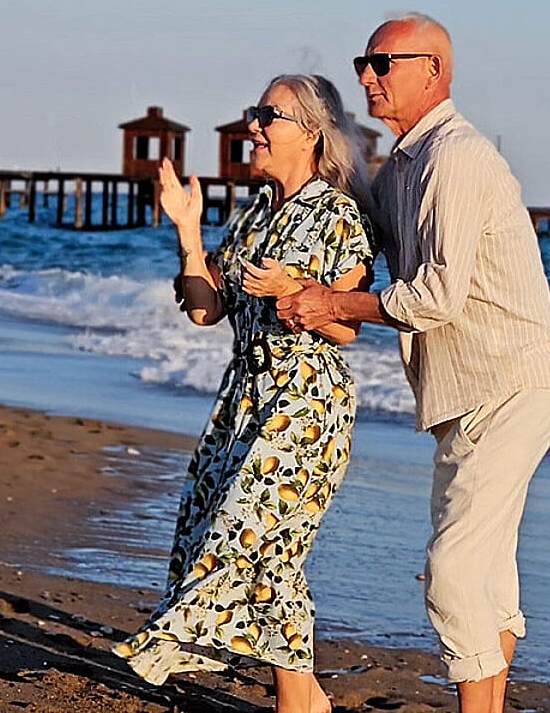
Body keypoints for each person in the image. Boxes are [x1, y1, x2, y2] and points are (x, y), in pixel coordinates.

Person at [276, 14, 550, 713]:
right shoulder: (406, 164)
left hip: (511, 384)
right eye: (363, 63)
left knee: (453, 570)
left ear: (433, 69)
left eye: (383, 63)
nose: (367, 76)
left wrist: (333, 306)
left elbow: (435, 296)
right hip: (465, 391)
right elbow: (362, 228)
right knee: (487, 574)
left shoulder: (458, 157)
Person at [113, 74, 374, 713]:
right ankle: (309, 702)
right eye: (254, 113)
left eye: (269, 115)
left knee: (258, 545)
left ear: (312, 131)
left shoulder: (337, 213)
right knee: (246, 545)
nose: (254, 127)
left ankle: (298, 706)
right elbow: (208, 311)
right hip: (244, 398)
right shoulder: (257, 211)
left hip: (307, 402)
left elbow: (346, 328)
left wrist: (294, 287)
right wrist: (188, 231)